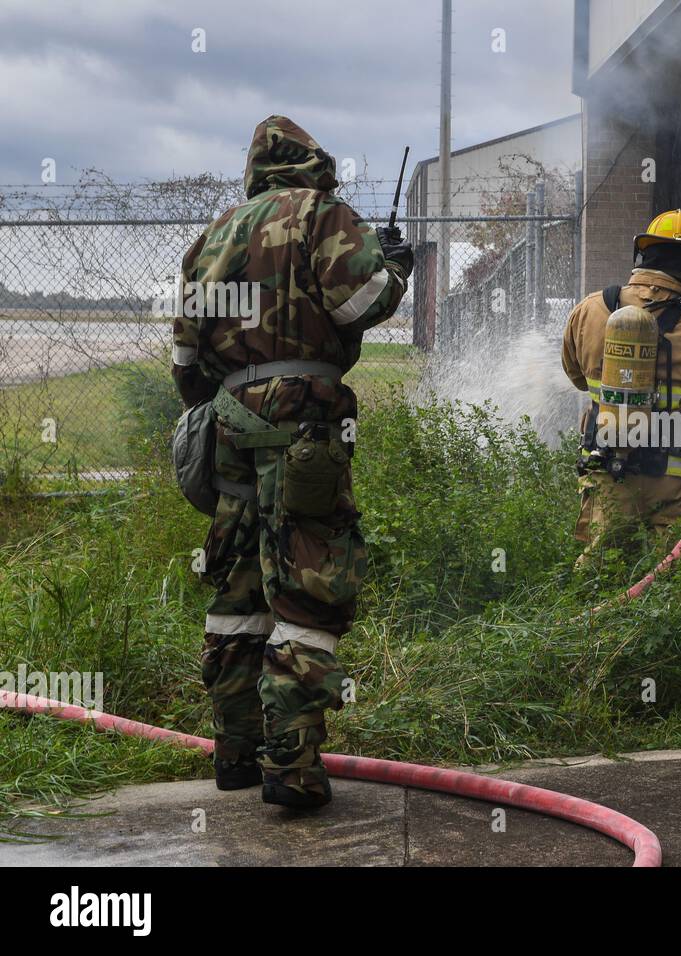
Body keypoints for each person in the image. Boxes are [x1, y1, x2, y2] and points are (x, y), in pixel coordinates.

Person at [171, 116, 412, 808]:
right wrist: (394, 265)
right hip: (305, 423)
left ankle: (235, 752)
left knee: (238, 588)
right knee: (310, 584)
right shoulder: (321, 213)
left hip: (229, 425)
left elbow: (185, 361)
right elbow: (360, 299)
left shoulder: (213, 234)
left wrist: (227, 404)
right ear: (314, 165)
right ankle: (294, 766)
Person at [561, 209, 681, 560]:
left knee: (601, 573)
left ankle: (594, 616)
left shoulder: (589, 311)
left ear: (644, 256)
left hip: (609, 470)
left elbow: (577, 377)